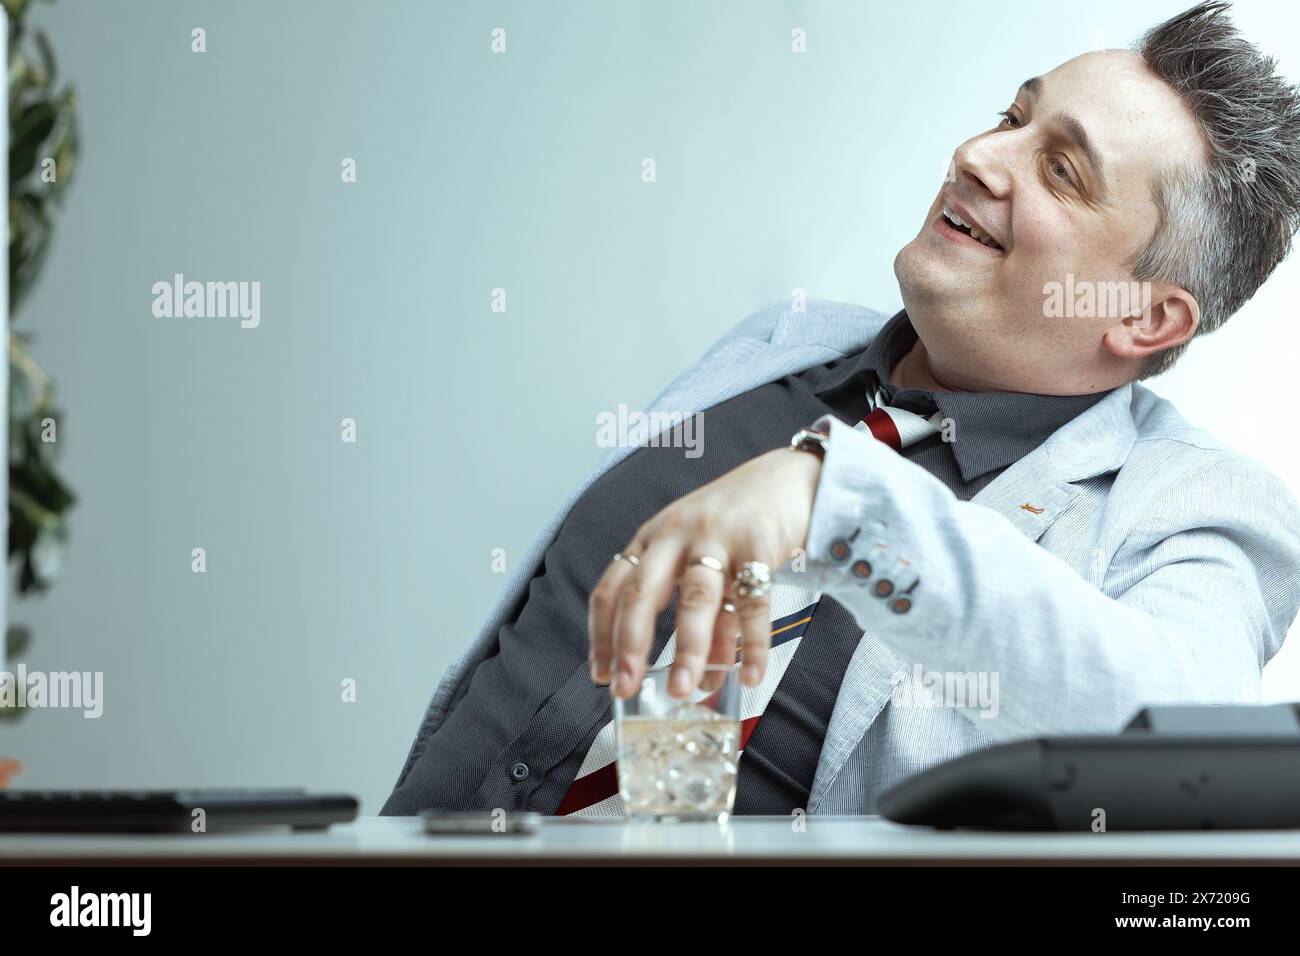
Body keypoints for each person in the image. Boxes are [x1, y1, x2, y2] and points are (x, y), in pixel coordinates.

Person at [382, 1, 1300, 817]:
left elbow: (1183, 737)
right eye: (1010, 119)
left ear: (1144, 316)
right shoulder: (775, 344)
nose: (977, 157)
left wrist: (841, 505)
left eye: (1060, 170)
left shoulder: (1195, 509)